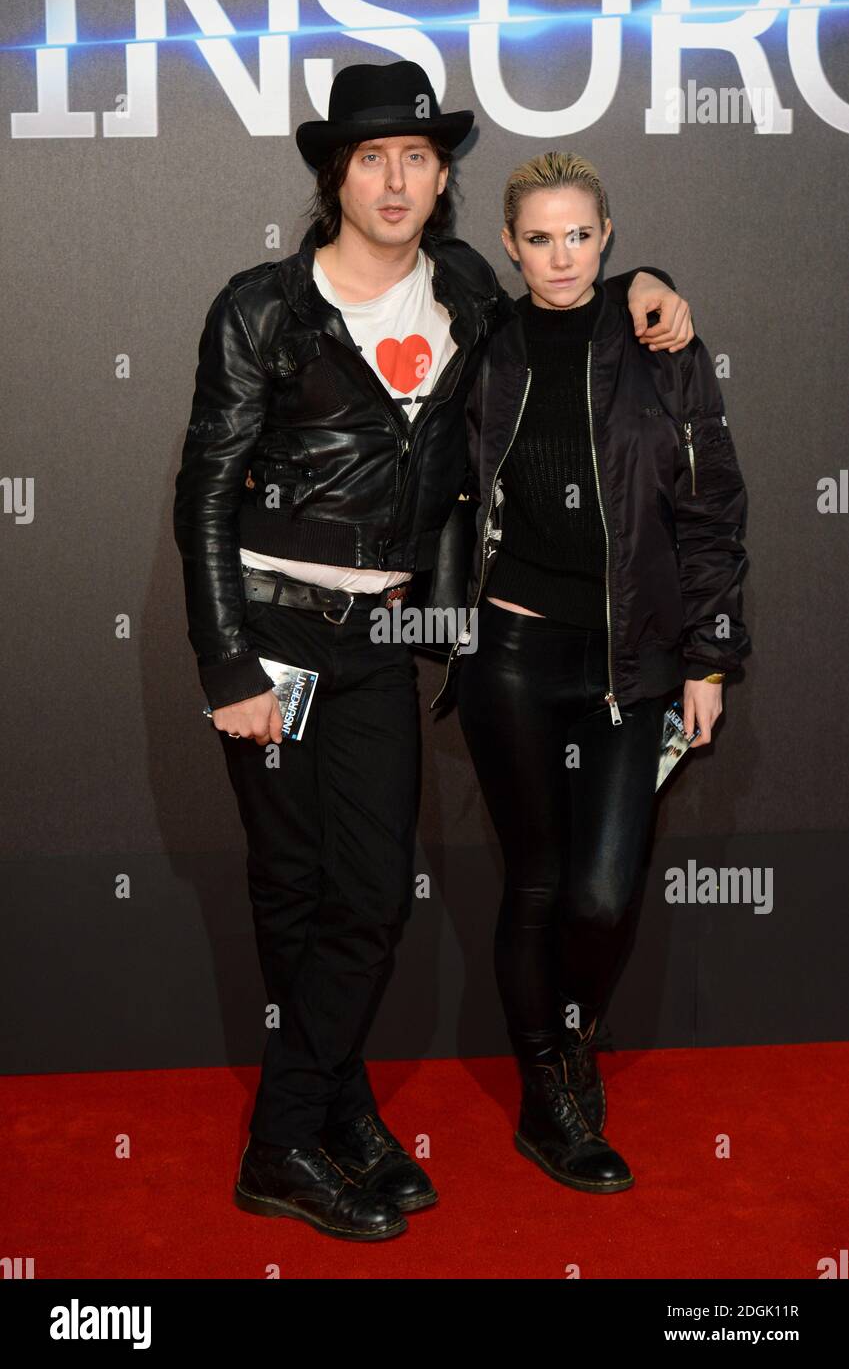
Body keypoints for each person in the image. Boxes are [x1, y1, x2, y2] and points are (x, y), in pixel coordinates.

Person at [173, 61, 693, 1240]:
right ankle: (309, 1130)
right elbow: (203, 494)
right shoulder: (261, 307)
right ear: (335, 176)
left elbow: (571, 306)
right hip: (274, 631)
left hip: (385, 643)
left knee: (368, 898)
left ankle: (305, 1117)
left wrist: (650, 281)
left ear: (444, 174)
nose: (396, 177)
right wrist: (226, 665)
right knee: (298, 893)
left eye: (417, 155)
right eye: (371, 157)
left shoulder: (465, 287)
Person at [431, 151, 751, 1194]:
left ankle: (576, 1032)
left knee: (603, 892)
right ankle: (549, 1095)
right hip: (515, 652)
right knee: (536, 880)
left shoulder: (662, 344)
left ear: (607, 236)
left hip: (632, 656)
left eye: (580, 234)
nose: (559, 255)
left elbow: (710, 511)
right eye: (538, 237)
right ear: (510, 247)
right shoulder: (485, 342)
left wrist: (709, 655)